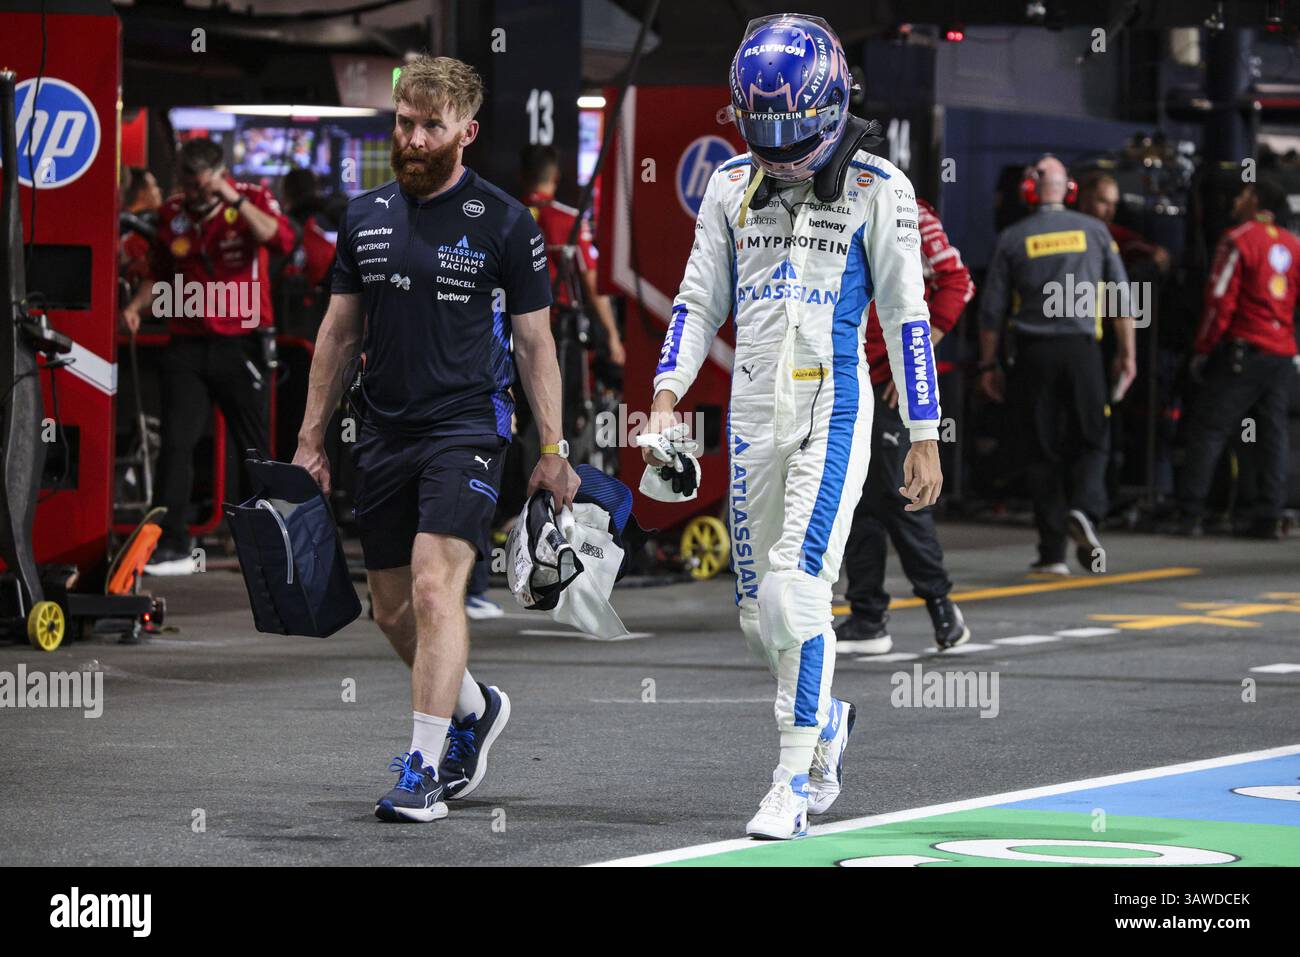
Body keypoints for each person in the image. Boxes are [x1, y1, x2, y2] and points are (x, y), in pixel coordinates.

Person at [645, 13, 943, 840]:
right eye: (761, 128)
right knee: (756, 615)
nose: (778, 146)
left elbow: (907, 314)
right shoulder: (729, 185)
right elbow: (698, 299)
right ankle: (827, 719)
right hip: (749, 413)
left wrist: (925, 428)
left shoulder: (880, 186)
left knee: (798, 588)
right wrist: (667, 395)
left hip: (835, 405)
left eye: (792, 128)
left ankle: (791, 778)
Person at [291, 55, 578, 823]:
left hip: (469, 427)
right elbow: (338, 333)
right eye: (404, 123)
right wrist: (311, 439)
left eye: (430, 127)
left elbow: (534, 347)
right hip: (382, 431)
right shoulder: (365, 216)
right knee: (390, 612)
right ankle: (476, 707)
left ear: (466, 133)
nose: (412, 140)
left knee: (432, 584)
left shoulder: (509, 224)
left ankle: (421, 768)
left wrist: (553, 452)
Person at [121, 138, 297, 575]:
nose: (196, 194)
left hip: (242, 343)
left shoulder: (252, 200)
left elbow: (281, 240)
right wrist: (135, 307)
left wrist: (231, 198)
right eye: (189, 184)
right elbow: (160, 276)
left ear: (218, 175)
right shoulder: (172, 215)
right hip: (187, 343)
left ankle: (269, 544)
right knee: (176, 444)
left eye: (204, 186)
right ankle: (171, 546)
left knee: (253, 447)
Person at [977, 155, 1137, 576]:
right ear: (1069, 191)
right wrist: (1128, 354)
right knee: (1093, 438)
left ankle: (1052, 554)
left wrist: (988, 366)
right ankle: (1084, 509)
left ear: (1029, 190)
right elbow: (1123, 299)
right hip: (1082, 352)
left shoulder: (1012, 238)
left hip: (1032, 356)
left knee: (1040, 450)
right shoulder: (1096, 232)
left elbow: (991, 313)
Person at [836, 198, 974, 654]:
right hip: (842, 377)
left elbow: (958, 281)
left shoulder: (907, 210)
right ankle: (867, 616)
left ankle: (941, 606)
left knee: (903, 494)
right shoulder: (823, 203)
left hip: (891, 381)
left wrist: (916, 357)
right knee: (852, 494)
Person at [1172, 178, 1300, 538]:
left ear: (1256, 200)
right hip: (1281, 353)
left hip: (1244, 349)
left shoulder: (1238, 239)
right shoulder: (1293, 245)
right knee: (1272, 434)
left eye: (1243, 193)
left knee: (1210, 428)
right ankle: (1268, 515)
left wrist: (1202, 348)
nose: (1236, 199)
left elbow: (1219, 300)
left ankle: (1190, 513)